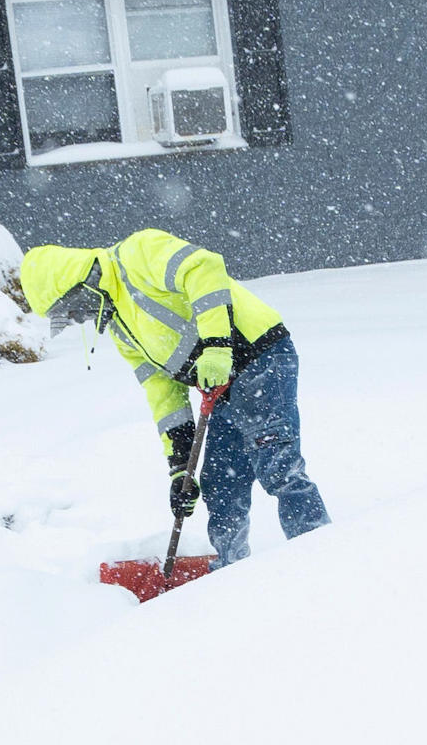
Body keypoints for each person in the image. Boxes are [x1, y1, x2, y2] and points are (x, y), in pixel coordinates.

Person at [19, 232, 330, 563]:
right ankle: (232, 571)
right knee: (221, 484)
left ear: (81, 285)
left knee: (276, 463)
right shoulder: (122, 330)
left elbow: (204, 267)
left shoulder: (138, 253)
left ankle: (319, 555)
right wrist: (180, 468)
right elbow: (163, 393)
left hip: (259, 355)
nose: (80, 318)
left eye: (73, 309)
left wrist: (216, 346)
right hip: (222, 385)